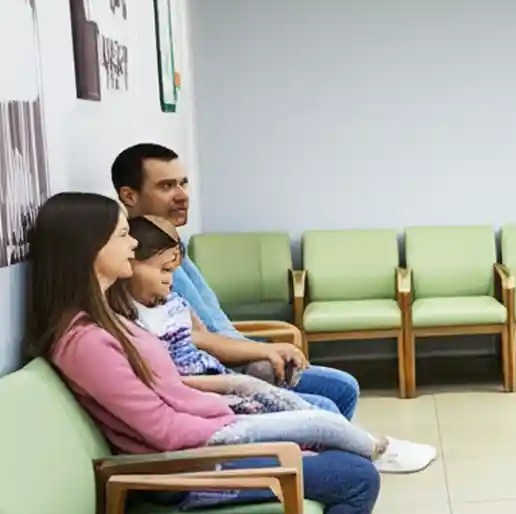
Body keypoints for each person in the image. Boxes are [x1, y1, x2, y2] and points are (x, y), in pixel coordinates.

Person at [24, 192, 396, 514]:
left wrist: (234, 405)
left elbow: (171, 393)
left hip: (199, 446)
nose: (131, 246)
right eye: (123, 235)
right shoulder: (84, 340)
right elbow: (161, 431)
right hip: (180, 472)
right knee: (355, 476)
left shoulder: (110, 319)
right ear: (90, 248)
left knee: (333, 444)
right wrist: (242, 429)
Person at [110, 142, 435, 473]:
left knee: (340, 388)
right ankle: (344, 463)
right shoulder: (143, 267)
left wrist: (260, 349)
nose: (181, 194)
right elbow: (188, 342)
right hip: (221, 369)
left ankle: (344, 461)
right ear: (129, 196)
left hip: (233, 356)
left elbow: (200, 328)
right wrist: (262, 353)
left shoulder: (172, 247)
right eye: (166, 186)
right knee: (332, 395)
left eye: (183, 183)